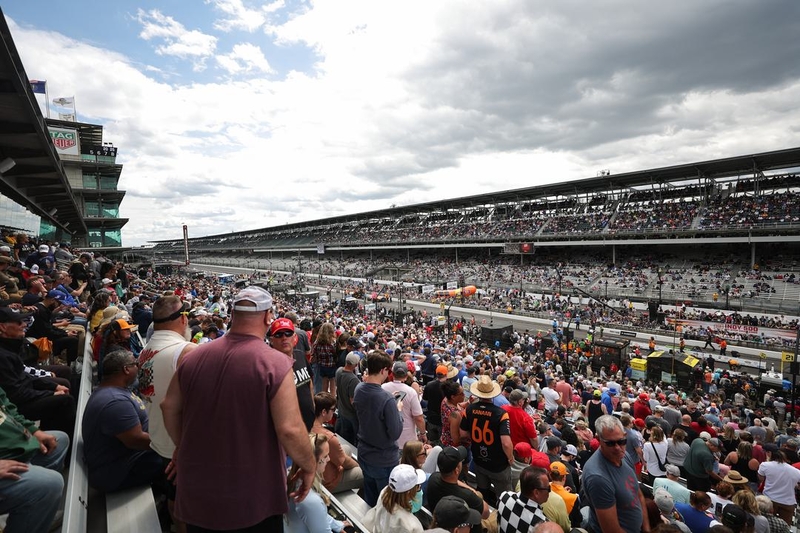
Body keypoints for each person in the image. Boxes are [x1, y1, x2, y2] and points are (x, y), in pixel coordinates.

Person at [161, 286, 317, 532]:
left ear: (232, 313)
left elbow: (168, 407)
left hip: (199, 495)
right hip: (253, 499)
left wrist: (184, 447)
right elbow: (289, 428)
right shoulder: (275, 363)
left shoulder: (193, 356)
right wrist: (309, 465)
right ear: (268, 317)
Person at [82, 350, 165, 493]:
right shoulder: (115, 402)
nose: (138, 367)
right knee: (179, 462)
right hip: (121, 471)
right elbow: (136, 440)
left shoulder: (116, 391)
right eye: (135, 364)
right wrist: (170, 443)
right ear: (126, 369)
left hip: (128, 457)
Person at [0, 384, 69, 533]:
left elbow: (7, 409)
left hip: (10, 449)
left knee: (60, 441)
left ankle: (35, 516)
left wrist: (34, 431)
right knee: (49, 484)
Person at [0, 306, 76, 439]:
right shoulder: (3, 355)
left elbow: (24, 375)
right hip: (14, 406)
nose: (24, 325)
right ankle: (54, 447)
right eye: (18, 322)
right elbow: (16, 394)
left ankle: (50, 436)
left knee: (62, 388)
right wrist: (50, 393)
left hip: (22, 393)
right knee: (65, 401)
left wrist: (53, 387)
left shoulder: (11, 345)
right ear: (3, 327)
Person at [582, 414, 649, 533]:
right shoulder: (598, 478)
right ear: (598, 439)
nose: (618, 447)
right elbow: (611, 530)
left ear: (625, 436)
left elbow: (638, 494)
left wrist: (646, 529)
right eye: (610, 443)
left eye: (622, 441)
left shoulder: (624, 455)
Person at [353, 350, 404, 507]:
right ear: (383, 370)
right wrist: (398, 410)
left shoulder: (359, 388)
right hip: (383, 460)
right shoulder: (387, 399)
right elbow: (395, 433)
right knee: (386, 505)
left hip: (364, 452)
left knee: (371, 499)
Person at [460, 374, 513, 506]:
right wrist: (510, 457)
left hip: (479, 459)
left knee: (482, 491)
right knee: (505, 497)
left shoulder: (469, 409)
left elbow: (462, 433)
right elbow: (506, 442)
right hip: (498, 464)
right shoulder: (501, 414)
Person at [285, 433, 352, 533]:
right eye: (325, 456)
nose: (328, 459)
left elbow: (316, 516)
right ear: (313, 461)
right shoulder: (311, 501)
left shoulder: (289, 474)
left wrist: (337, 525)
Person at [268, 317, 315, 431]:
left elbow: (309, 383)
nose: (284, 338)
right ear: (272, 340)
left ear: (295, 338)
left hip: (308, 423)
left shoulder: (300, 355)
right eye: (279, 334)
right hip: (287, 432)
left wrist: (313, 406)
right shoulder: (269, 366)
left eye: (288, 333)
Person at [311, 392, 363, 493]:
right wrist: (358, 465)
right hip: (328, 481)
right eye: (333, 409)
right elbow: (344, 462)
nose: (334, 412)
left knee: (346, 448)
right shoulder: (329, 437)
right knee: (365, 474)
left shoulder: (307, 425)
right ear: (323, 412)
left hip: (316, 472)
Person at [426, 445, 490, 522]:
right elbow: (486, 513)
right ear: (456, 470)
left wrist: (471, 490)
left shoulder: (433, 478)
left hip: (439, 520)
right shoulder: (467, 496)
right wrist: (473, 492)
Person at [361, 463, 425, 533]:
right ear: (408, 492)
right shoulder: (411, 525)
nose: (418, 488)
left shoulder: (384, 492)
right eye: (418, 486)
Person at [383, 360, 426, 449]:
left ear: (393, 374)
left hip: (387, 435)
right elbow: (418, 417)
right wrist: (423, 433)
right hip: (406, 439)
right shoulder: (411, 392)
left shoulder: (383, 388)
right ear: (406, 376)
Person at [496, 466, 550, 533]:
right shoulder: (543, 525)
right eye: (548, 488)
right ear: (536, 493)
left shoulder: (504, 496)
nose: (549, 491)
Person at [757, 447, 800, 525]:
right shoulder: (796, 472)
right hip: (787, 502)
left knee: (766, 523)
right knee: (785, 525)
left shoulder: (765, 465)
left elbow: (761, 478)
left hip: (769, 499)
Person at [334, 351, 361, 446]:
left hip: (341, 410)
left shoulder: (339, 371)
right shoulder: (354, 380)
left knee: (342, 438)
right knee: (351, 441)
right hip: (351, 415)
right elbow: (352, 401)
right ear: (356, 364)